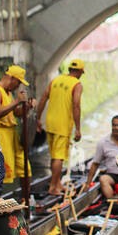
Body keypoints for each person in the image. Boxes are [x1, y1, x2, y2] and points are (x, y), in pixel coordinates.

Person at [35, 59, 84, 196]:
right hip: (62, 125)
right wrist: (78, 128)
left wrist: (38, 119)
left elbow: (44, 98)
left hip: (50, 123)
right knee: (59, 157)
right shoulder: (77, 84)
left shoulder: (55, 80)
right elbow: (76, 105)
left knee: (54, 155)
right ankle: (53, 187)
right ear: (80, 71)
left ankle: (57, 183)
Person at [0, 66, 33, 186]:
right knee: (2, 171)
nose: (18, 86)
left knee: (24, 165)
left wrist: (26, 107)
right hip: (0, 135)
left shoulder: (8, 93)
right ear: (12, 78)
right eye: (18, 82)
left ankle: (25, 199)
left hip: (11, 134)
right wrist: (17, 101)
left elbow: (14, 113)